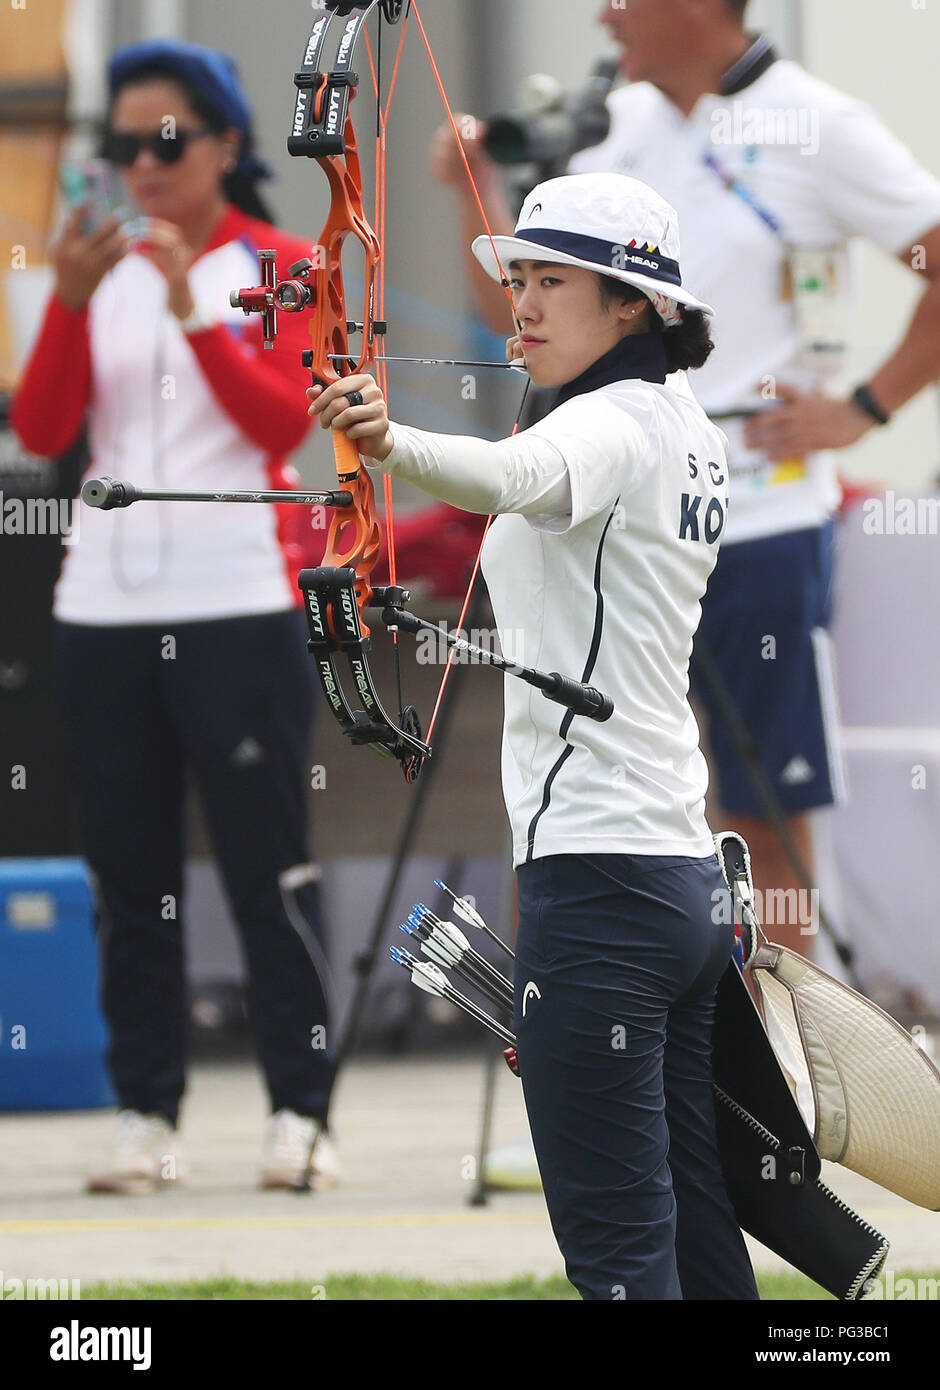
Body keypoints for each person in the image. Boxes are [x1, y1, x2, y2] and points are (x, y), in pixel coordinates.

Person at [308, 171, 760, 1300]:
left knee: (617, 1251)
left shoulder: (608, 425)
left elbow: (513, 477)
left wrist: (383, 434)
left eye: (550, 281)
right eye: (518, 280)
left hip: (605, 888)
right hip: (678, 880)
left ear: (630, 305)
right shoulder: (674, 423)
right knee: (696, 1238)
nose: (521, 302)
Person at [431, 0, 940, 959]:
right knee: (584, 779)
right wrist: (473, 190)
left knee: (766, 807)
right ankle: (599, 1025)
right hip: (613, 525)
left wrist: (863, 408)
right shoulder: (609, 124)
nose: (604, 14)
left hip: (758, 512)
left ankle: (783, 1069)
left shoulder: (817, 122)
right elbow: (531, 313)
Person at [11, 40, 338, 1194]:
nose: (142, 167)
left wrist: (197, 303)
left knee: (268, 872)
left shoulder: (281, 264)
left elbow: (271, 427)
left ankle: (303, 1113)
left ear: (226, 147)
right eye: (122, 146)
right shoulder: (97, 273)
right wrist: (68, 299)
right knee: (128, 876)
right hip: (100, 608)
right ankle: (146, 1111)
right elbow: (48, 429)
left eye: (167, 141)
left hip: (234, 606)